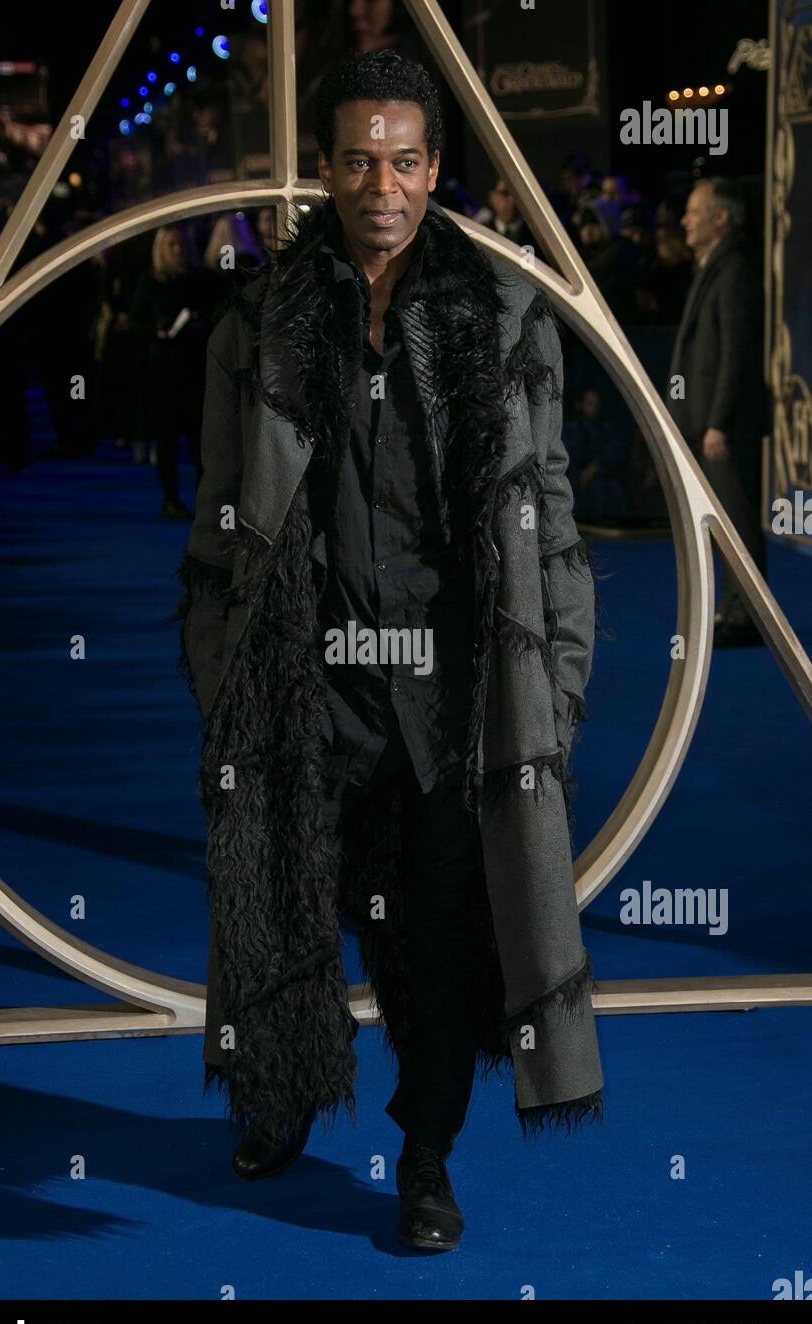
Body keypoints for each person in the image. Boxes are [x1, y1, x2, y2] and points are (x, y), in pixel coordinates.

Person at [174, 50, 603, 1253]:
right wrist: (225, 677)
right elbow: (217, 522)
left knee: (438, 941)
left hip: (446, 689)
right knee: (281, 907)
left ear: (432, 171)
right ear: (326, 169)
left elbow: (551, 524)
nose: (381, 184)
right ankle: (281, 1093)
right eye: (358, 160)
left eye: (404, 161)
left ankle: (423, 1156)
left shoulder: (503, 315)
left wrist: (547, 693)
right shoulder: (256, 326)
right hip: (303, 681)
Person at [666, 178, 767, 647]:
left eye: (694, 211)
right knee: (724, 523)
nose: (685, 220)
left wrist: (718, 422)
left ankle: (748, 617)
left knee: (737, 522)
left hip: (722, 426)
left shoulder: (735, 270)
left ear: (721, 218)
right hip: (707, 422)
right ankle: (733, 608)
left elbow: (737, 356)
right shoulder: (715, 266)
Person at [129, 224, 221, 518]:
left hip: (197, 368)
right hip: (163, 370)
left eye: (181, 244)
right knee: (166, 439)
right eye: (171, 245)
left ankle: (203, 499)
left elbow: (218, 315)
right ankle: (170, 498)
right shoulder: (151, 280)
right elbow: (136, 321)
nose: (177, 250)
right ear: (161, 248)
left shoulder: (201, 279)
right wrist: (156, 330)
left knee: (201, 442)